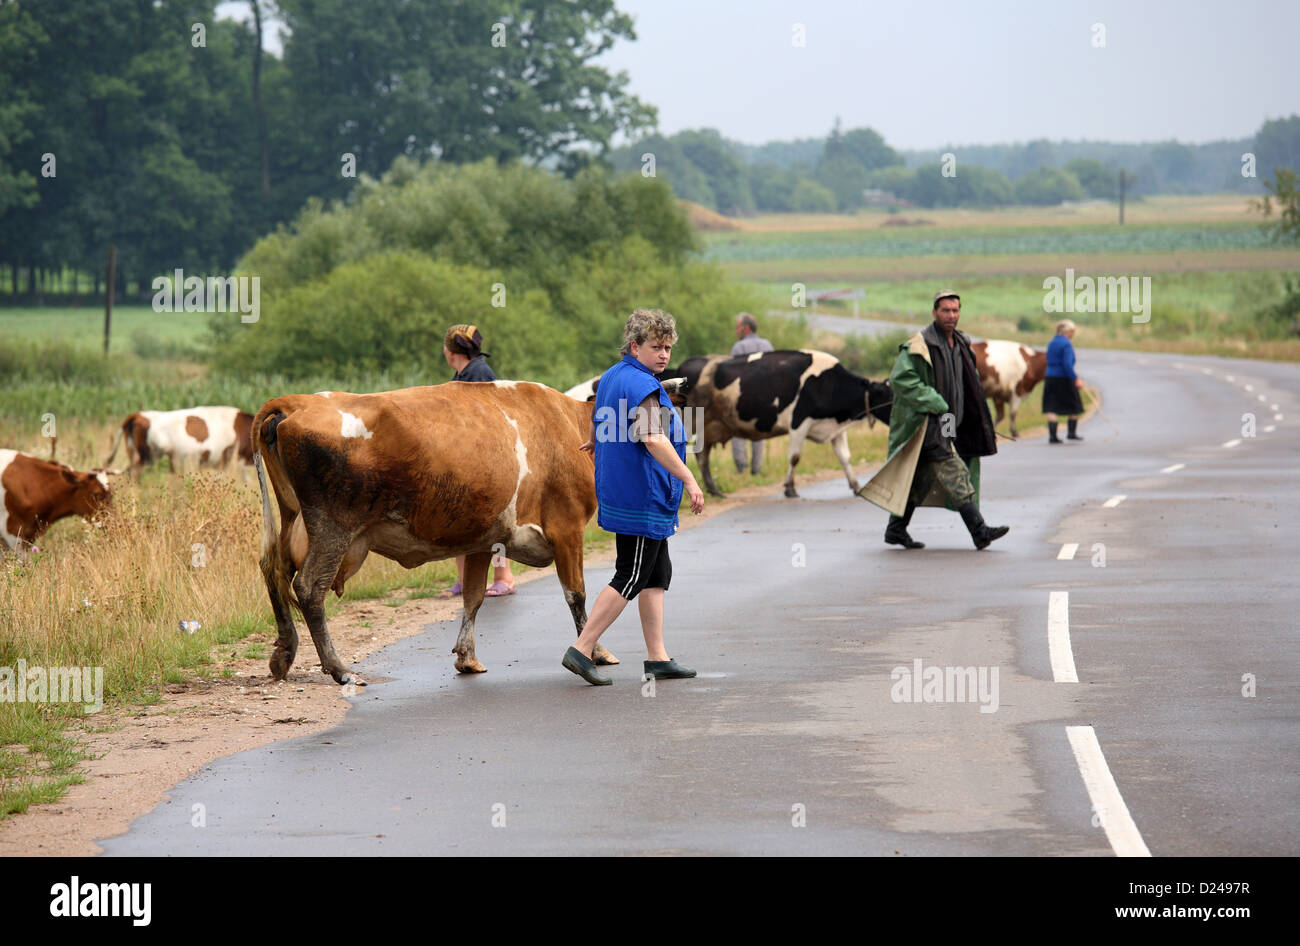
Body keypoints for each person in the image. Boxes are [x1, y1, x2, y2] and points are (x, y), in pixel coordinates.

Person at [562, 308, 705, 686]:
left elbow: (601, 413)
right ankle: (582, 647)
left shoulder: (613, 376)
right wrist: (689, 478)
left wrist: (596, 437)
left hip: (626, 491)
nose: (663, 355)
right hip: (642, 495)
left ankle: (657, 658)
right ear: (634, 345)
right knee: (632, 574)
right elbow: (652, 438)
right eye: (656, 347)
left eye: (668, 348)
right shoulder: (643, 386)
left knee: (657, 574)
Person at [857, 291, 1009, 550]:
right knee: (954, 469)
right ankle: (979, 530)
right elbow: (901, 380)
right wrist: (934, 400)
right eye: (945, 311)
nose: (951, 315)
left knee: (922, 476)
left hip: (949, 420)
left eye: (955, 310)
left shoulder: (961, 342)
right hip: (926, 423)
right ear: (934, 313)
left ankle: (895, 529)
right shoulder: (920, 344)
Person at [438, 324, 517, 598]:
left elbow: (488, 417)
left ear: (450, 351)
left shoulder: (479, 373)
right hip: (467, 456)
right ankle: (464, 581)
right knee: (462, 521)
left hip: (485, 458)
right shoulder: (463, 372)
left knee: (490, 524)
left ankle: (504, 578)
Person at [729, 312, 774, 474]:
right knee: (759, 431)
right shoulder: (767, 345)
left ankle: (741, 468)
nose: (736, 331)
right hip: (764, 396)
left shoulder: (739, 347)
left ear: (746, 328)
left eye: (738, 327)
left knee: (738, 429)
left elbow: (734, 374)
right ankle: (757, 469)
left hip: (744, 395)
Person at [1043, 320, 1085, 443]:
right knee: (1074, 404)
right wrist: (1075, 379)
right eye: (1072, 332)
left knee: (1051, 406)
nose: (1073, 334)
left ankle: (1053, 436)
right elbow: (1067, 364)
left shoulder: (1052, 343)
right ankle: (1071, 433)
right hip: (1064, 377)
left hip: (1050, 377)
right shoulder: (1066, 344)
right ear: (1067, 332)